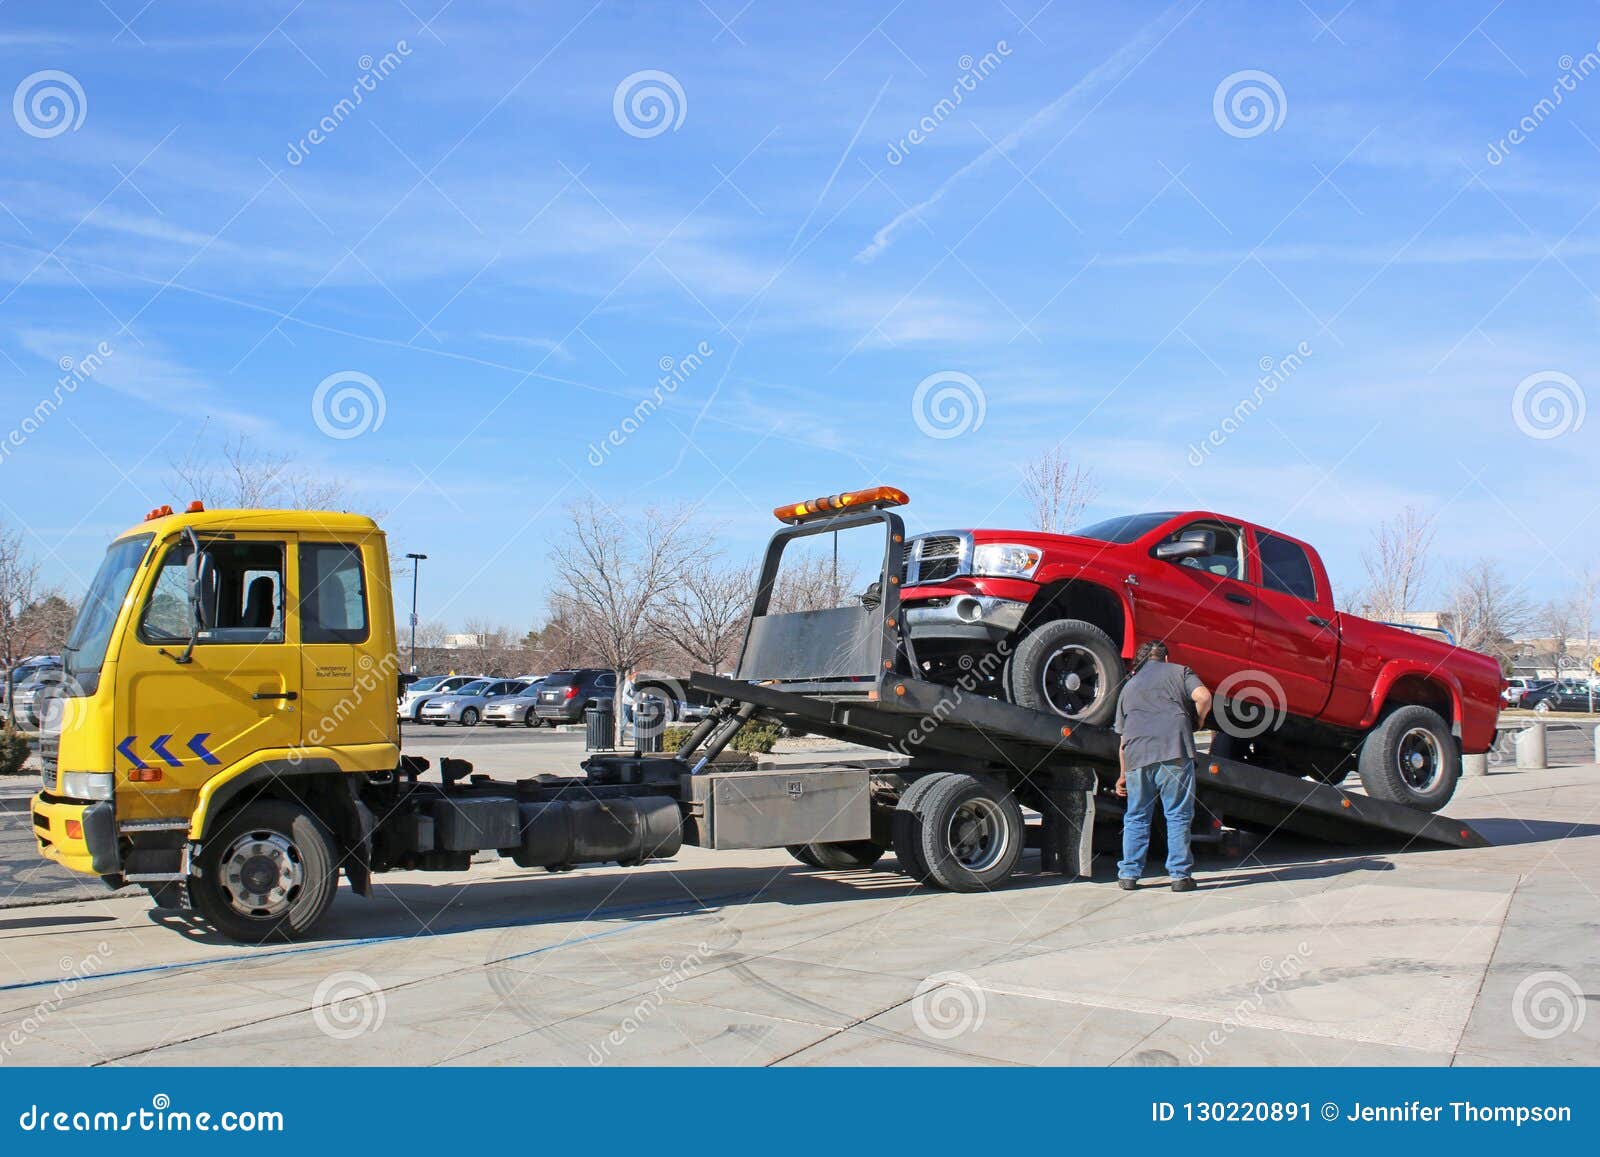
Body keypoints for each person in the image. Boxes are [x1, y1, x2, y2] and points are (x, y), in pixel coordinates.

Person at [1114, 640, 1213, 892]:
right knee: (1177, 816)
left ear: (1142, 660)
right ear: (1166, 659)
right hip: (1174, 752)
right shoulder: (1180, 672)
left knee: (1136, 816)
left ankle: (1128, 874)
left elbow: (1123, 739)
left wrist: (1122, 775)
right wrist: (1198, 721)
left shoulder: (1128, 686)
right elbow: (1203, 696)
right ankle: (1180, 877)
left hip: (1137, 757)